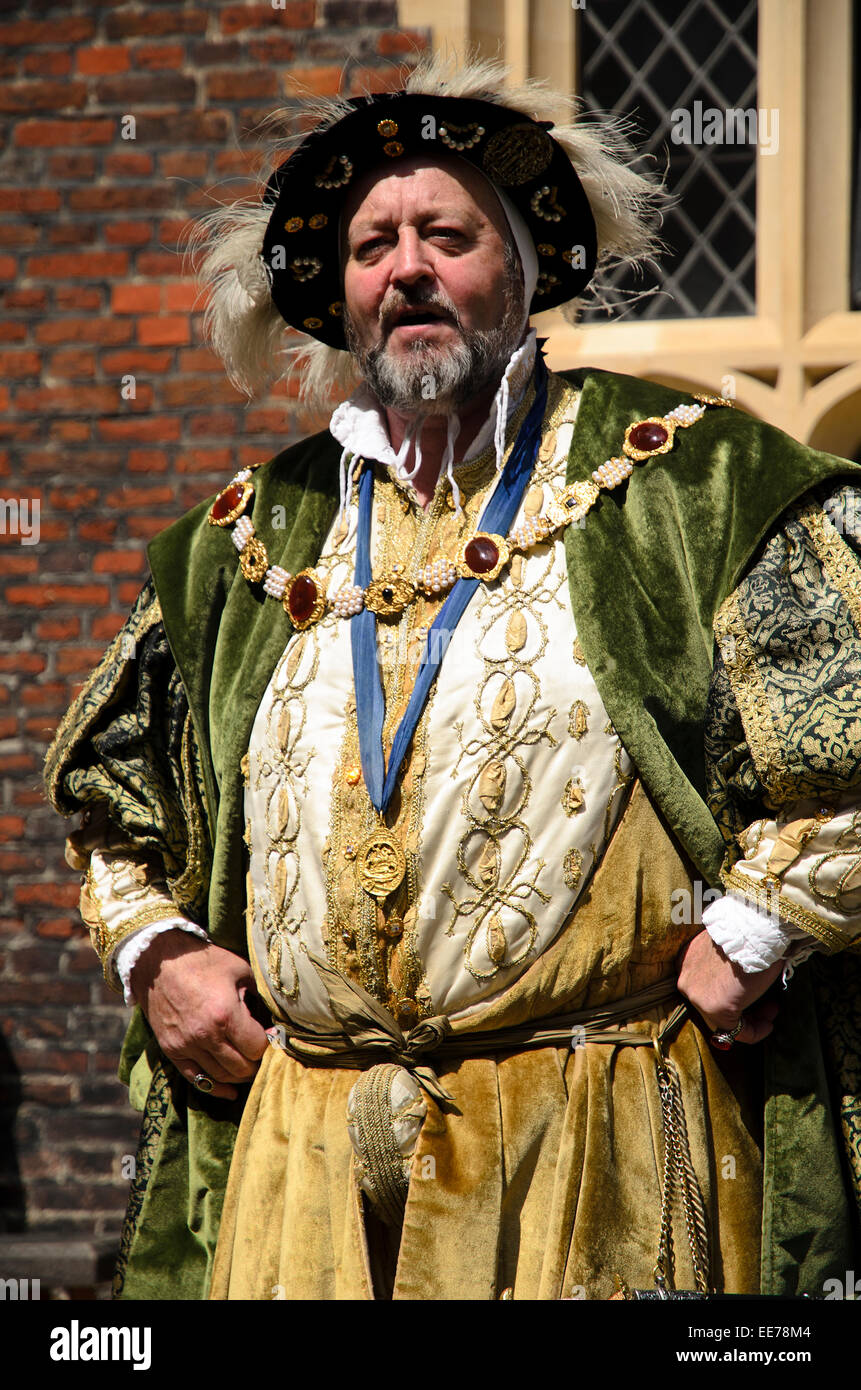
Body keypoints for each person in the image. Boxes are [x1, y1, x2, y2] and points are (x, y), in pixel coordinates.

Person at [45, 53, 861, 1301]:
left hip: (595, 1143)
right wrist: (157, 950)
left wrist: (759, 927)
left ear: (524, 265)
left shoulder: (692, 485)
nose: (408, 267)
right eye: (374, 245)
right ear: (336, 291)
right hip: (300, 1161)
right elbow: (113, 805)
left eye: (447, 233)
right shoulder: (239, 539)